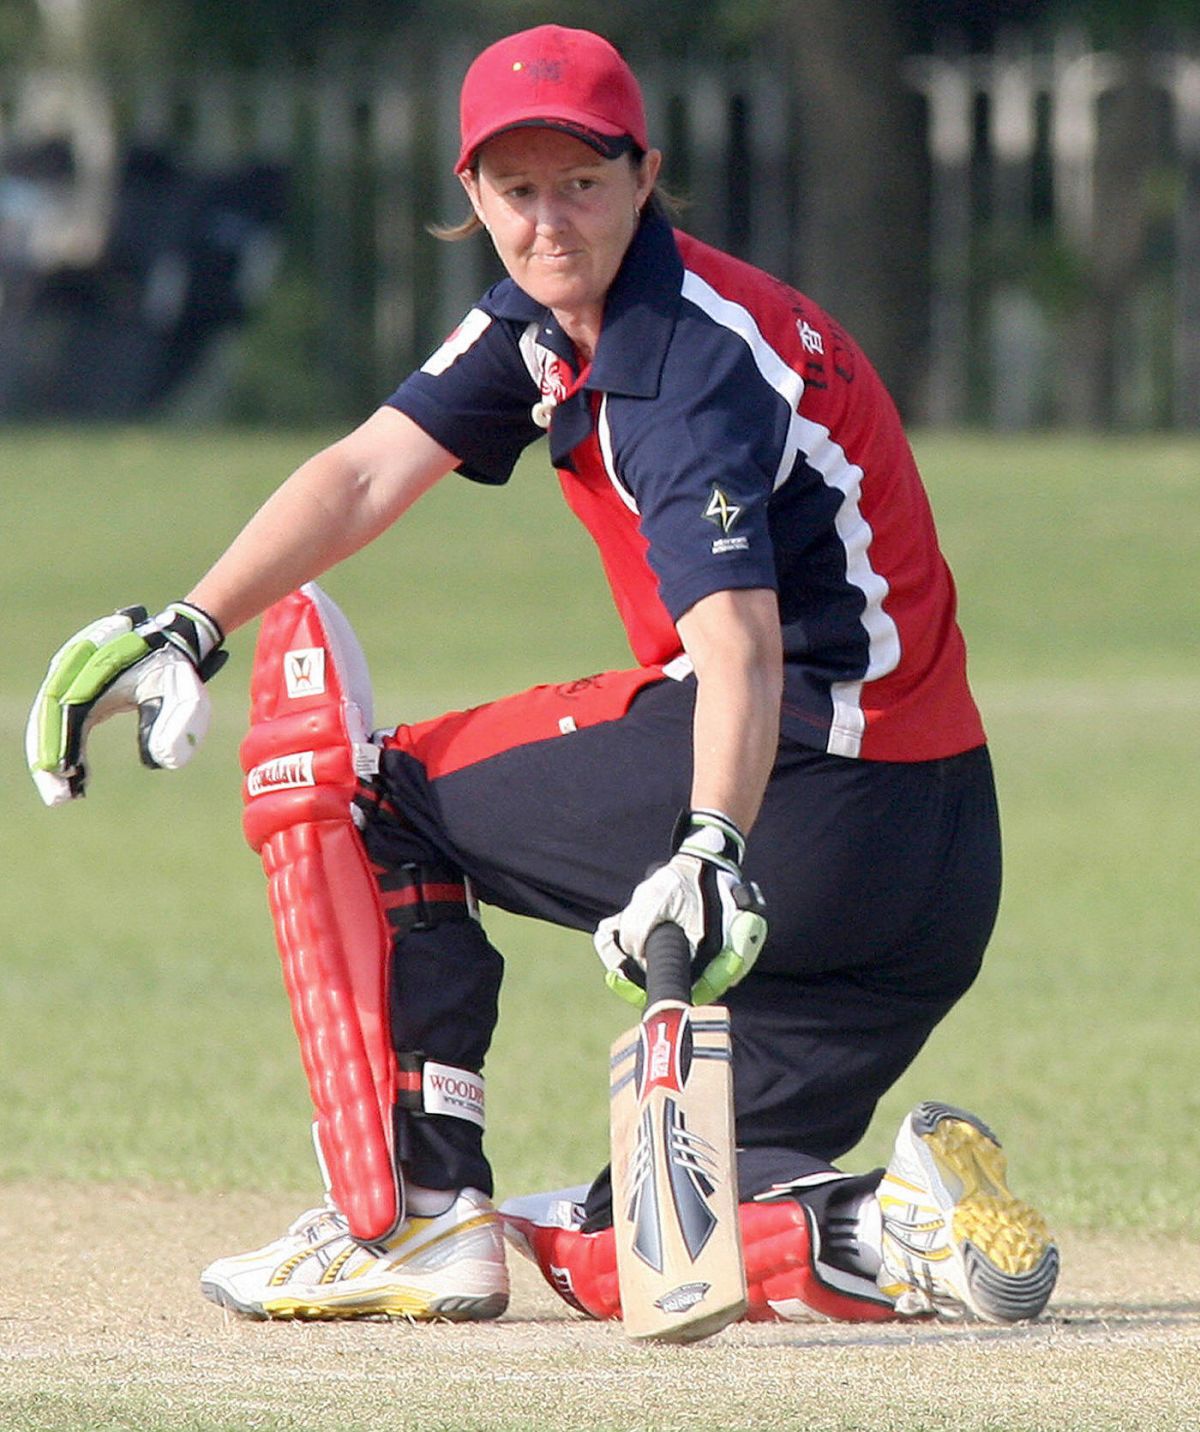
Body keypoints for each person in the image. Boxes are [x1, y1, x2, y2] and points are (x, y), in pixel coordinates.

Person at [27, 24, 1058, 1326]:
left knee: (368, 789)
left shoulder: (680, 364)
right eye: (518, 190)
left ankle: (414, 1210)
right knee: (616, 1244)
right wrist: (190, 622)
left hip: (805, 793)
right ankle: (891, 1221)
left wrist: (708, 845)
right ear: (471, 198)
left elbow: (737, 639)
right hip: (937, 863)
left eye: (580, 181)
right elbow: (364, 469)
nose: (550, 219)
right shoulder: (548, 318)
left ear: (646, 175)